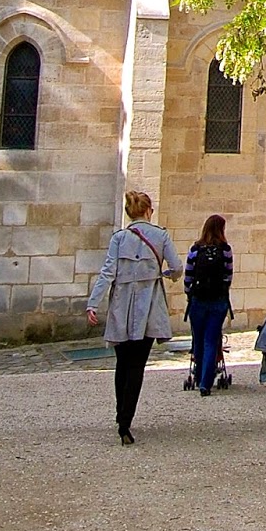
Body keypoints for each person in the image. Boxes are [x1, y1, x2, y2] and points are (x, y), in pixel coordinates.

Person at [86, 190, 183, 445]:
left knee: (122, 363)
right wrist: (166, 274)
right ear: (148, 210)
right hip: (148, 304)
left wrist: (92, 304)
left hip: (121, 304)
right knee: (137, 365)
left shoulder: (119, 238)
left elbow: (107, 272)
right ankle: (126, 421)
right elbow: (177, 267)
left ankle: (121, 416)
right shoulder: (160, 235)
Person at [184, 213, 233, 396]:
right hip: (218, 300)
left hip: (198, 300)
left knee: (198, 338)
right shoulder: (226, 249)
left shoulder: (196, 248)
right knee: (211, 339)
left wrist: (189, 293)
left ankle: (198, 375)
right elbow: (228, 275)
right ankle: (206, 383)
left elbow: (188, 274)